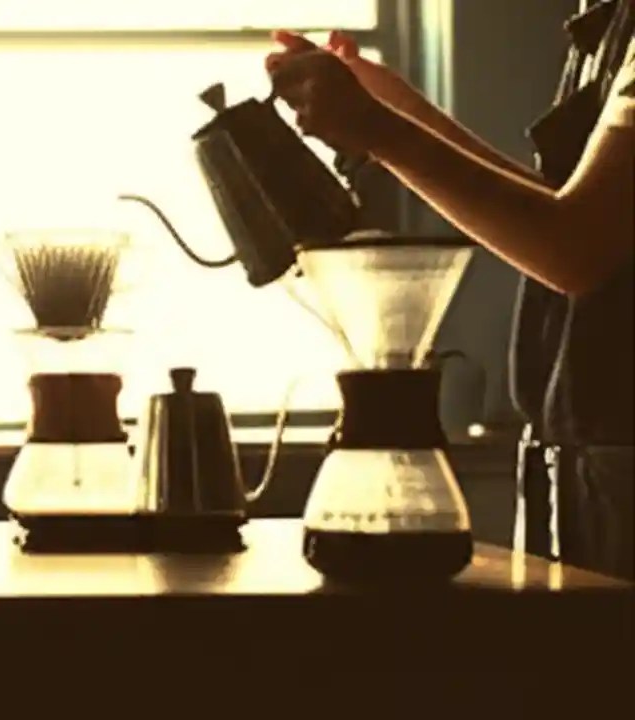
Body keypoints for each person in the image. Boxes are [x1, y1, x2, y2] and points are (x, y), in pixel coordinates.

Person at [265, 0, 634, 580]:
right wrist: (393, 110)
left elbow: (578, 247)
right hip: (585, 461)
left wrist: (376, 127)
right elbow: (562, 210)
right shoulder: (610, 22)